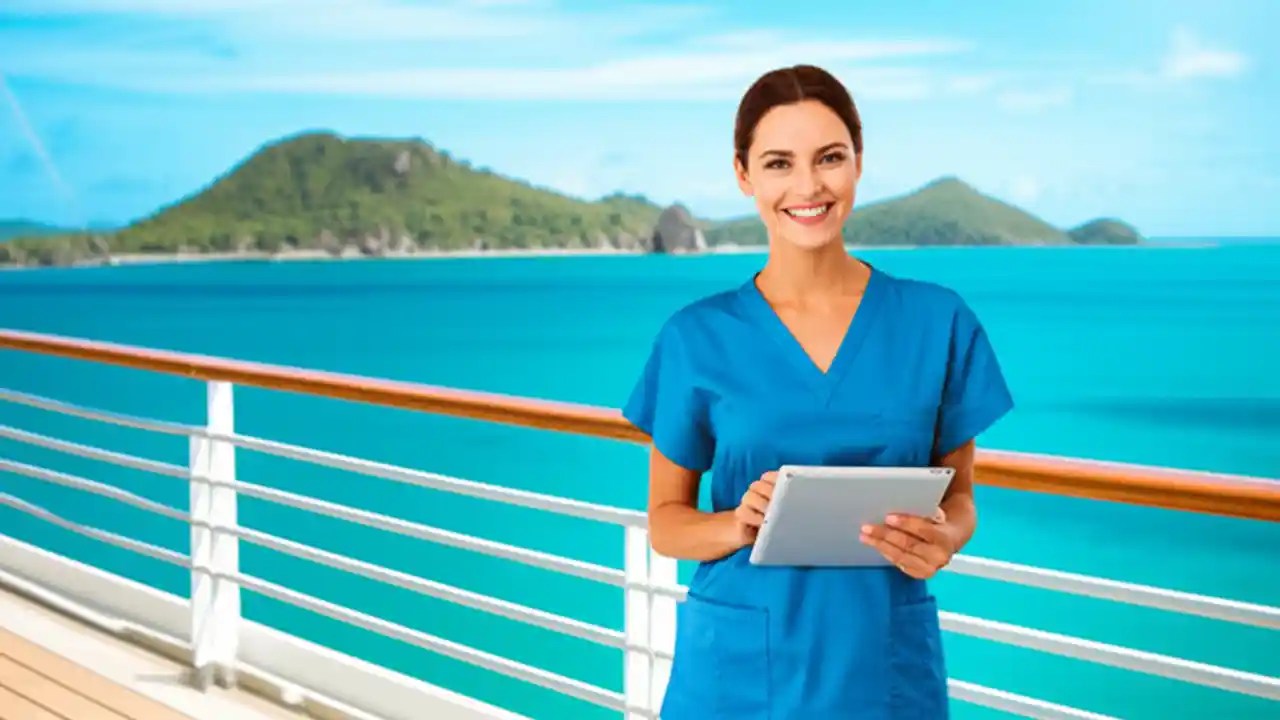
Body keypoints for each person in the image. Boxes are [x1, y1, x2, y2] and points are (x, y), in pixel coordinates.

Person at [621, 64, 1015, 719]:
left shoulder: (937, 322)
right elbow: (666, 523)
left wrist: (945, 537)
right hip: (736, 675)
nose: (808, 187)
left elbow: (961, 495)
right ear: (744, 175)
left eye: (829, 158)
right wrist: (735, 523)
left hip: (885, 667)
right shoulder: (696, 337)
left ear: (859, 162)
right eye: (779, 163)